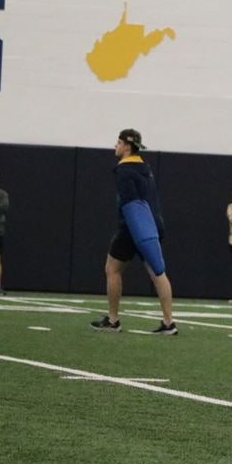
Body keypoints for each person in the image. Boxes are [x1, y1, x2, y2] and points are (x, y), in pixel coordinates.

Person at [90, 129, 178, 335]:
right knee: (158, 273)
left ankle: (113, 320)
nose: (116, 146)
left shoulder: (123, 170)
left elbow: (132, 204)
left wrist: (135, 233)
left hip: (134, 227)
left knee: (112, 269)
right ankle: (168, 322)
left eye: (118, 143)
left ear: (127, 147)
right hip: (154, 224)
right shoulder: (145, 167)